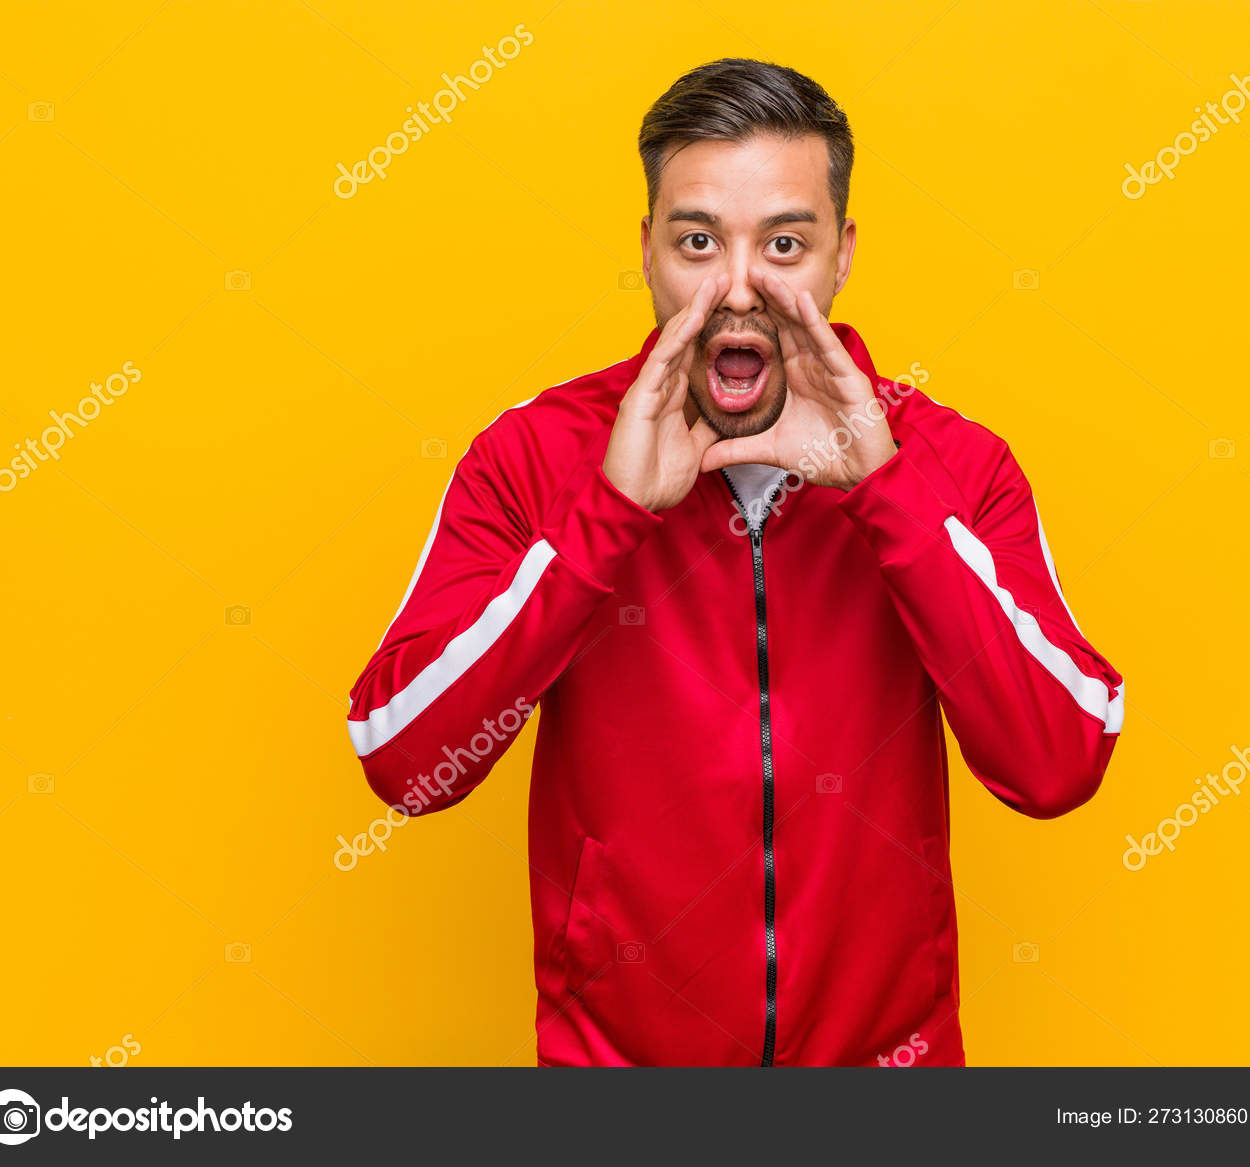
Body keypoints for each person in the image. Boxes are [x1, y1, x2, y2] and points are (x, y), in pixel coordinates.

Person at [346, 58, 1124, 1067]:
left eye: (784, 244)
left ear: (842, 255)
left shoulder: (952, 465)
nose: (741, 287)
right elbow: (404, 762)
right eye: (699, 242)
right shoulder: (535, 457)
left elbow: (1057, 762)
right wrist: (606, 518)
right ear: (647, 250)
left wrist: (888, 495)